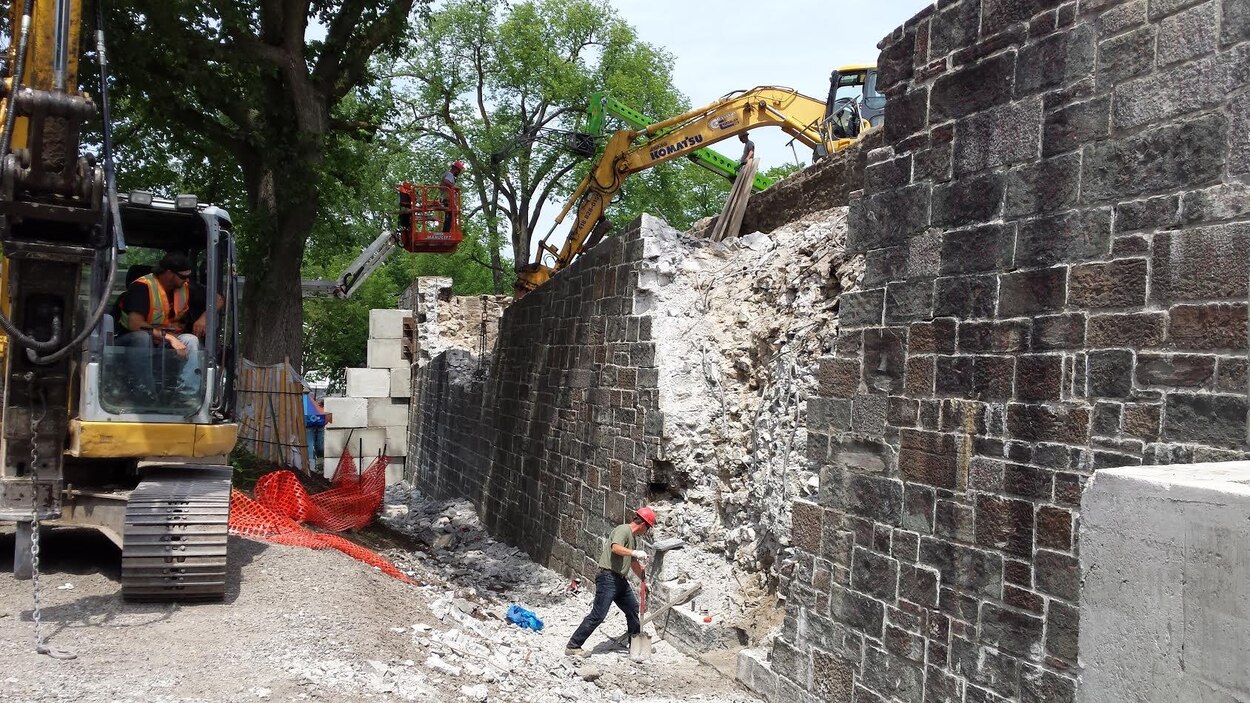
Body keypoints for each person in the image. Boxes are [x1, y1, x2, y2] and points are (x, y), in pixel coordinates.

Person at [565, 506, 657, 657]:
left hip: (620, 580)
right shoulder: (623, 530)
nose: (646, 532)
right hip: (608, 578)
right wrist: (634, 552)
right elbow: (616, 548)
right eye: (648, 528)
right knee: (598, 614)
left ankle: (635, 646)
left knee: (632, 609)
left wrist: (643, 579)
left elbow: (633, 562)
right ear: (643, 524)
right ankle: (573, 645)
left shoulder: (632, 539)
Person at [116, 252, 201, 394]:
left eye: (188, 276)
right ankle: (145, 391)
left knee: (191, 340)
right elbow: (135, 325)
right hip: (130, 344)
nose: (186, 280)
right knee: (141, 337)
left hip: (162, 342)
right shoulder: (142, 287)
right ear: (168, 273)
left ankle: (187, 396)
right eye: (183, 276)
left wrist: (203, 318)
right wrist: (170, 337)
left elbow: (218, 299)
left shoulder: (184, 287)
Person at [440, 160, 465, 233]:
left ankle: (446, 231)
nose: (459, 173)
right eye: (459, 171)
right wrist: (454, 187)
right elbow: (446, 181)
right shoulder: (449, 175)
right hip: (447, 198)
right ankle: (446, 233)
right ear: (456, 169)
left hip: (446, 197)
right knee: (450, 214)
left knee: (450, 215)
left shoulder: (448, 174)